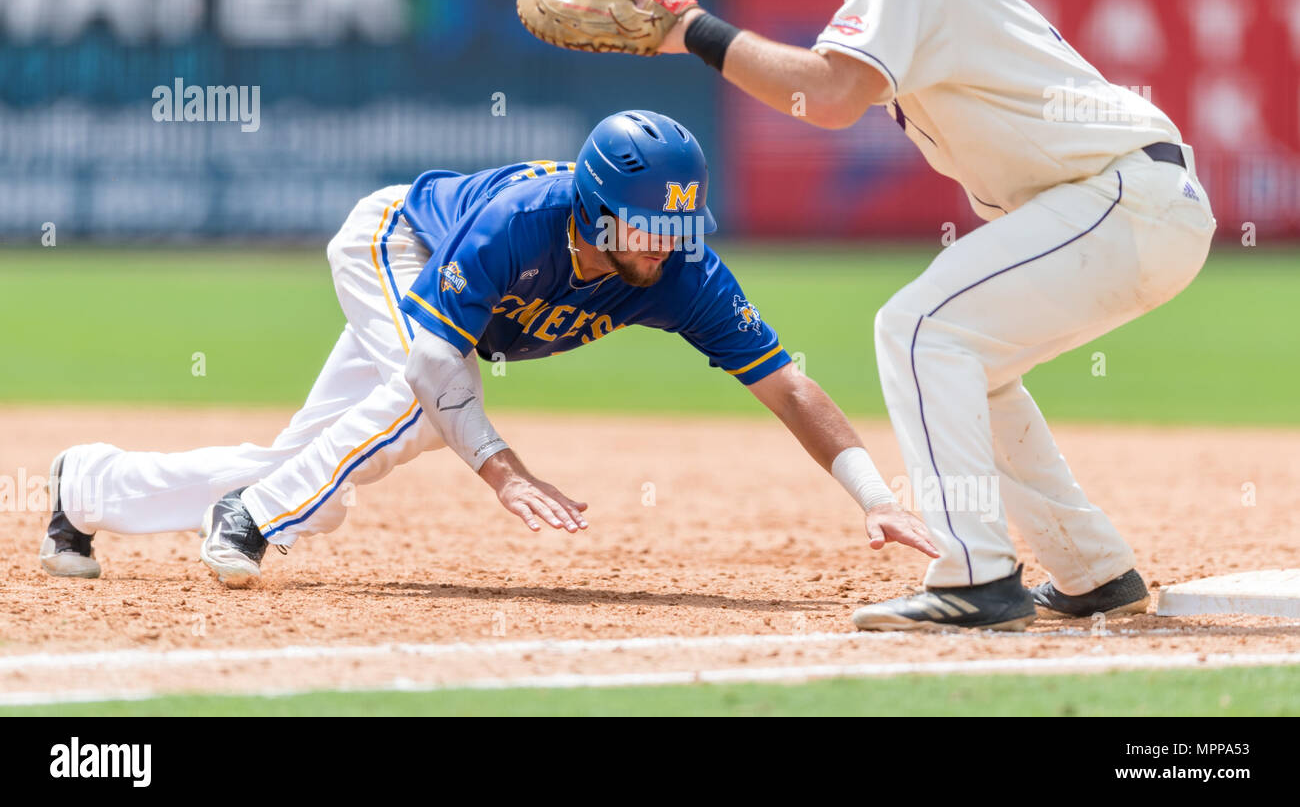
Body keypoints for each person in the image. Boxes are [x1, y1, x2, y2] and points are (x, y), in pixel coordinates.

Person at [600, 0, 1216, 631]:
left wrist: (690, 29)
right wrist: (691, 34)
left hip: (1122, 197)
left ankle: (976, 580)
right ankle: (1091, 569)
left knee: (921, 329)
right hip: (1127, 204)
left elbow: (831, 94)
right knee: (969, 361)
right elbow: (831, 88)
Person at [40, 110, 937, 587]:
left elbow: (786, 384)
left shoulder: (681, 273)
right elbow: (436, 367)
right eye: (650, 224)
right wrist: (504, 470)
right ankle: (252, 519)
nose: (669, 242)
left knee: (309, 463)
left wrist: (871, 493)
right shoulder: (520, 224)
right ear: (595, 211)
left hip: (439, 308)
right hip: (395, 246)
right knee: (425, 405)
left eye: (680, 224)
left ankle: (89, 485)